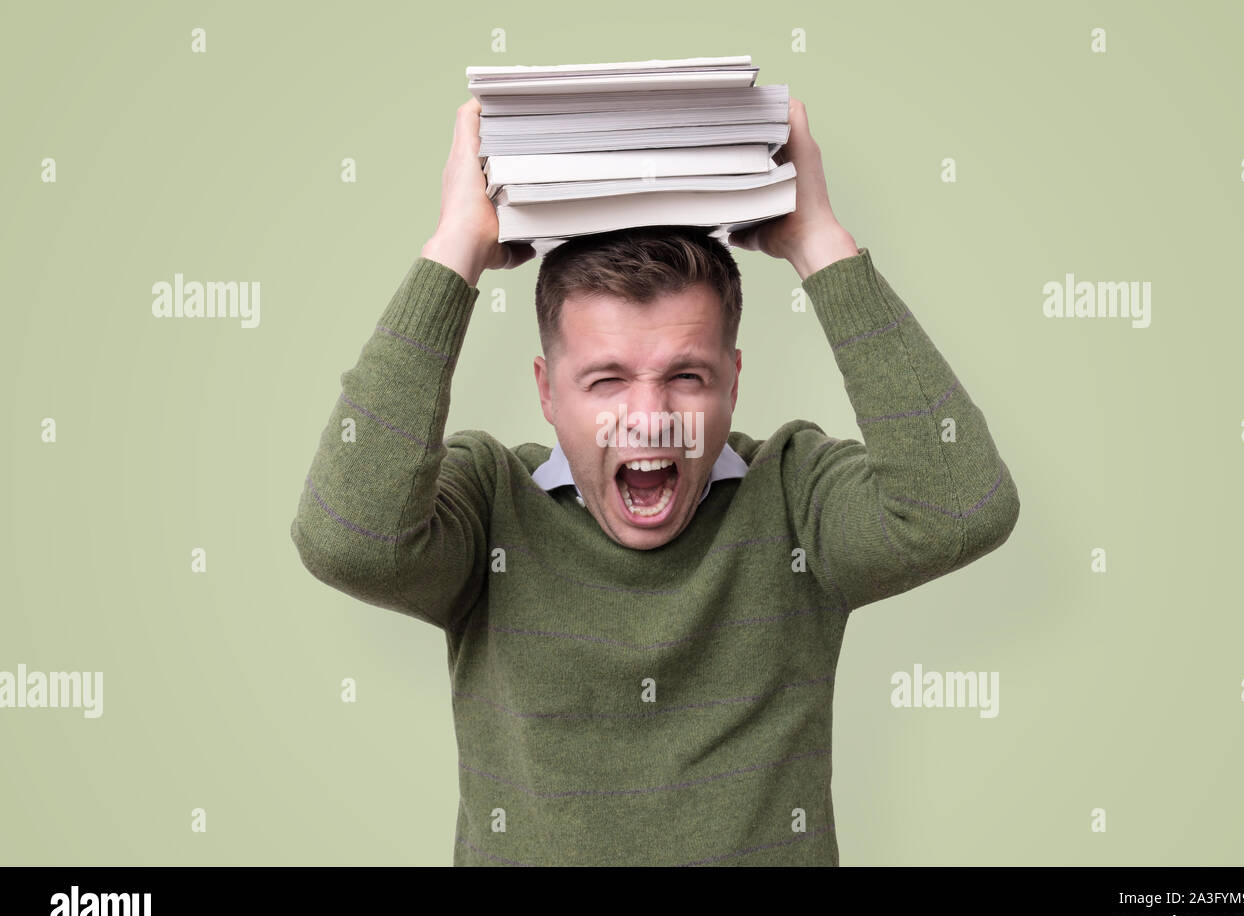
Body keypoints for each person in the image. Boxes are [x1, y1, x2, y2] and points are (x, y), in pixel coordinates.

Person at [290, 96, 1020, 866]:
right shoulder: (489, 505)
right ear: (546, 391)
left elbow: (961, 506)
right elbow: (348, 540)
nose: (648, 419)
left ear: (733, 382)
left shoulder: (794, 496)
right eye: (606, 380)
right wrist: (456, 246)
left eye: (686, 375)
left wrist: (819, 242)